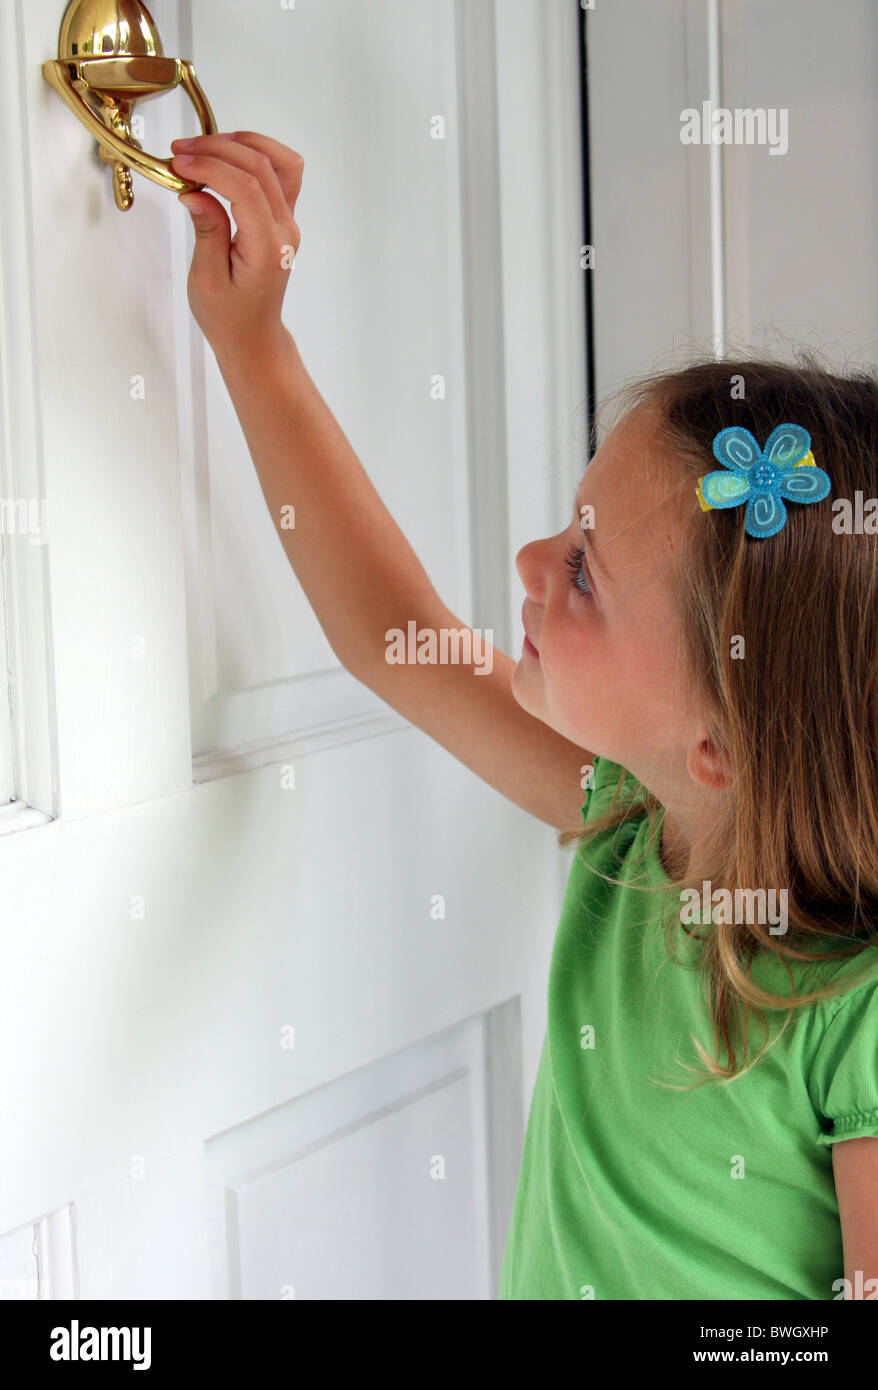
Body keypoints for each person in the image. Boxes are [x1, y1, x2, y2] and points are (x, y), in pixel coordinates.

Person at [170, 131, 878, 1300]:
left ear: (716, 743)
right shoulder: (628, 829)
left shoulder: (851, 1011)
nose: (531, 558)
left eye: (585, 572)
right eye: (570, 522)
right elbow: (391, 636)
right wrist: (254, 345)